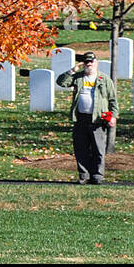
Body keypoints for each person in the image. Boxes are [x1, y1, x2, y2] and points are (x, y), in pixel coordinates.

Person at [54, 51, 117, 184]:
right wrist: (73, 70)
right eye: (87, 62)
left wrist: (114, 116)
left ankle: (97, 176)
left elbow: (113, 100)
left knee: (98, 149)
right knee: (81, 148)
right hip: (81, 118)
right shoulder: (78, 77)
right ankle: (84, 175)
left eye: (91, 62)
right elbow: (61, 82)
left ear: (96, 62)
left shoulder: (105, 79)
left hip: (98, 119)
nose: (89, 65)